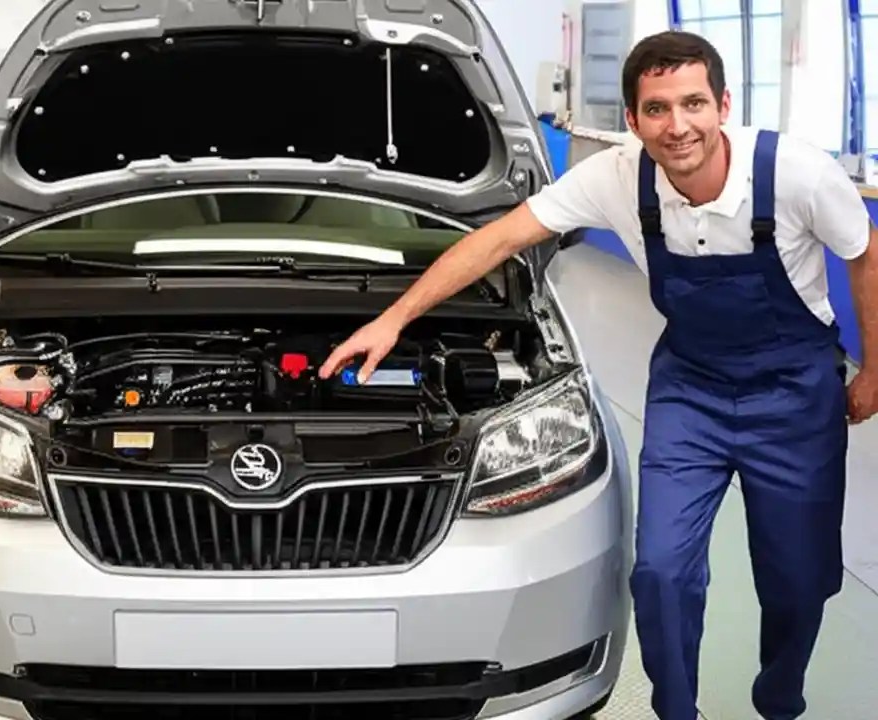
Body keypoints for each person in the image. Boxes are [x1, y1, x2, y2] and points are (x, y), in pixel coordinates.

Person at [318, 30, 878, 720]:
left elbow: (866, 258)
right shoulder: (615, 177)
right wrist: (393, 319)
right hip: (692, 390)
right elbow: (497, 240)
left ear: (724, 103)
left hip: (796, 392)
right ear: (634, 119)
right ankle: (678, 711)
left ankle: (779, 693)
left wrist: (875, 371)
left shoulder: (797, 172)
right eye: (657, 109)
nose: (678, 126)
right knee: (662, 573)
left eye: (693, 103)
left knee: (798, 579)